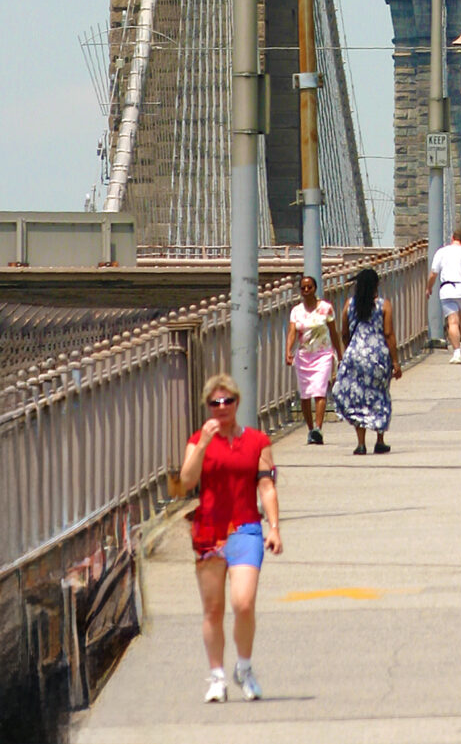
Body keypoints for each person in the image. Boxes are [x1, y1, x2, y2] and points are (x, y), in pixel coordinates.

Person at [179, 372, 280, 704]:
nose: (221, 407)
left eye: (227, 401)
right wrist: (203, 445)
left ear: (237, 402)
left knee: (243, 603)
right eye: (214, 403)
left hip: (246, 529)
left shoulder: (258, 442)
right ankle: (217, 677)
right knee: (213, 609)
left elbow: (266, 486)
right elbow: (186, 481)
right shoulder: (198, 440)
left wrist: (274, 527)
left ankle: (244, 668)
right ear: (207, 406)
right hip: (209, 532)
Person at [331, 266, 401, 453]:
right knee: (380, 395)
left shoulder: (349, 304)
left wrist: (349, 352)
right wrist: (395, 361)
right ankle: (379, 440)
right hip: (378, 356)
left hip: (355, 354)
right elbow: (388, 334)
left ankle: (361, 444)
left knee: (358, 396)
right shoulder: (384, 305)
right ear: (376, 285)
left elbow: (344, 333)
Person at [285, 274, 341, 444]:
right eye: (303, 288)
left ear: (315, 289)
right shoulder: (296, 311)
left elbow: (333, 332)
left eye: (309, 287)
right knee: (305, 394)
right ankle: (310, 429)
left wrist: (339, 353)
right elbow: (292, 332)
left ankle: (318, 428)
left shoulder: (326, 308)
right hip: (304, 356)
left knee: (319, 390)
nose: (307, 290)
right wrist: (288, 350)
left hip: (323, 354)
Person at [429, 227, 461, 362]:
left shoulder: (442, 252)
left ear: (452, 238)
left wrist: (428, 288)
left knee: (452, 322)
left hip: (447, 289)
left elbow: (433, 274)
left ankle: (457, 353)